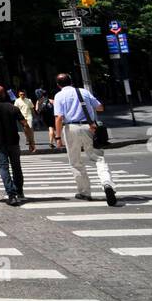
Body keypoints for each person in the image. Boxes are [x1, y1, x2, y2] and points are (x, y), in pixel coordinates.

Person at [53, 73, 117, 206]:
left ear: (58, 85)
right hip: (89, 127)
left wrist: (57, 137)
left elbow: (59, 117)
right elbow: (100, 107)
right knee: (98, 158)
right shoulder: (83, 91)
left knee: (76, 161)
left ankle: (85, 192)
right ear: (71, 81)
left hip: (71, 128)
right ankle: (107, 183)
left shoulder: (59, 96)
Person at [0, 85, 27, 205]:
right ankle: (20, 192)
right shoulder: (12, 108)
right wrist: (31, 140)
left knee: (3, 167)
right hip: (13, 141)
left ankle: (11, 195)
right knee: (16, 167)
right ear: (4, 95)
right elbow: (25, 124)